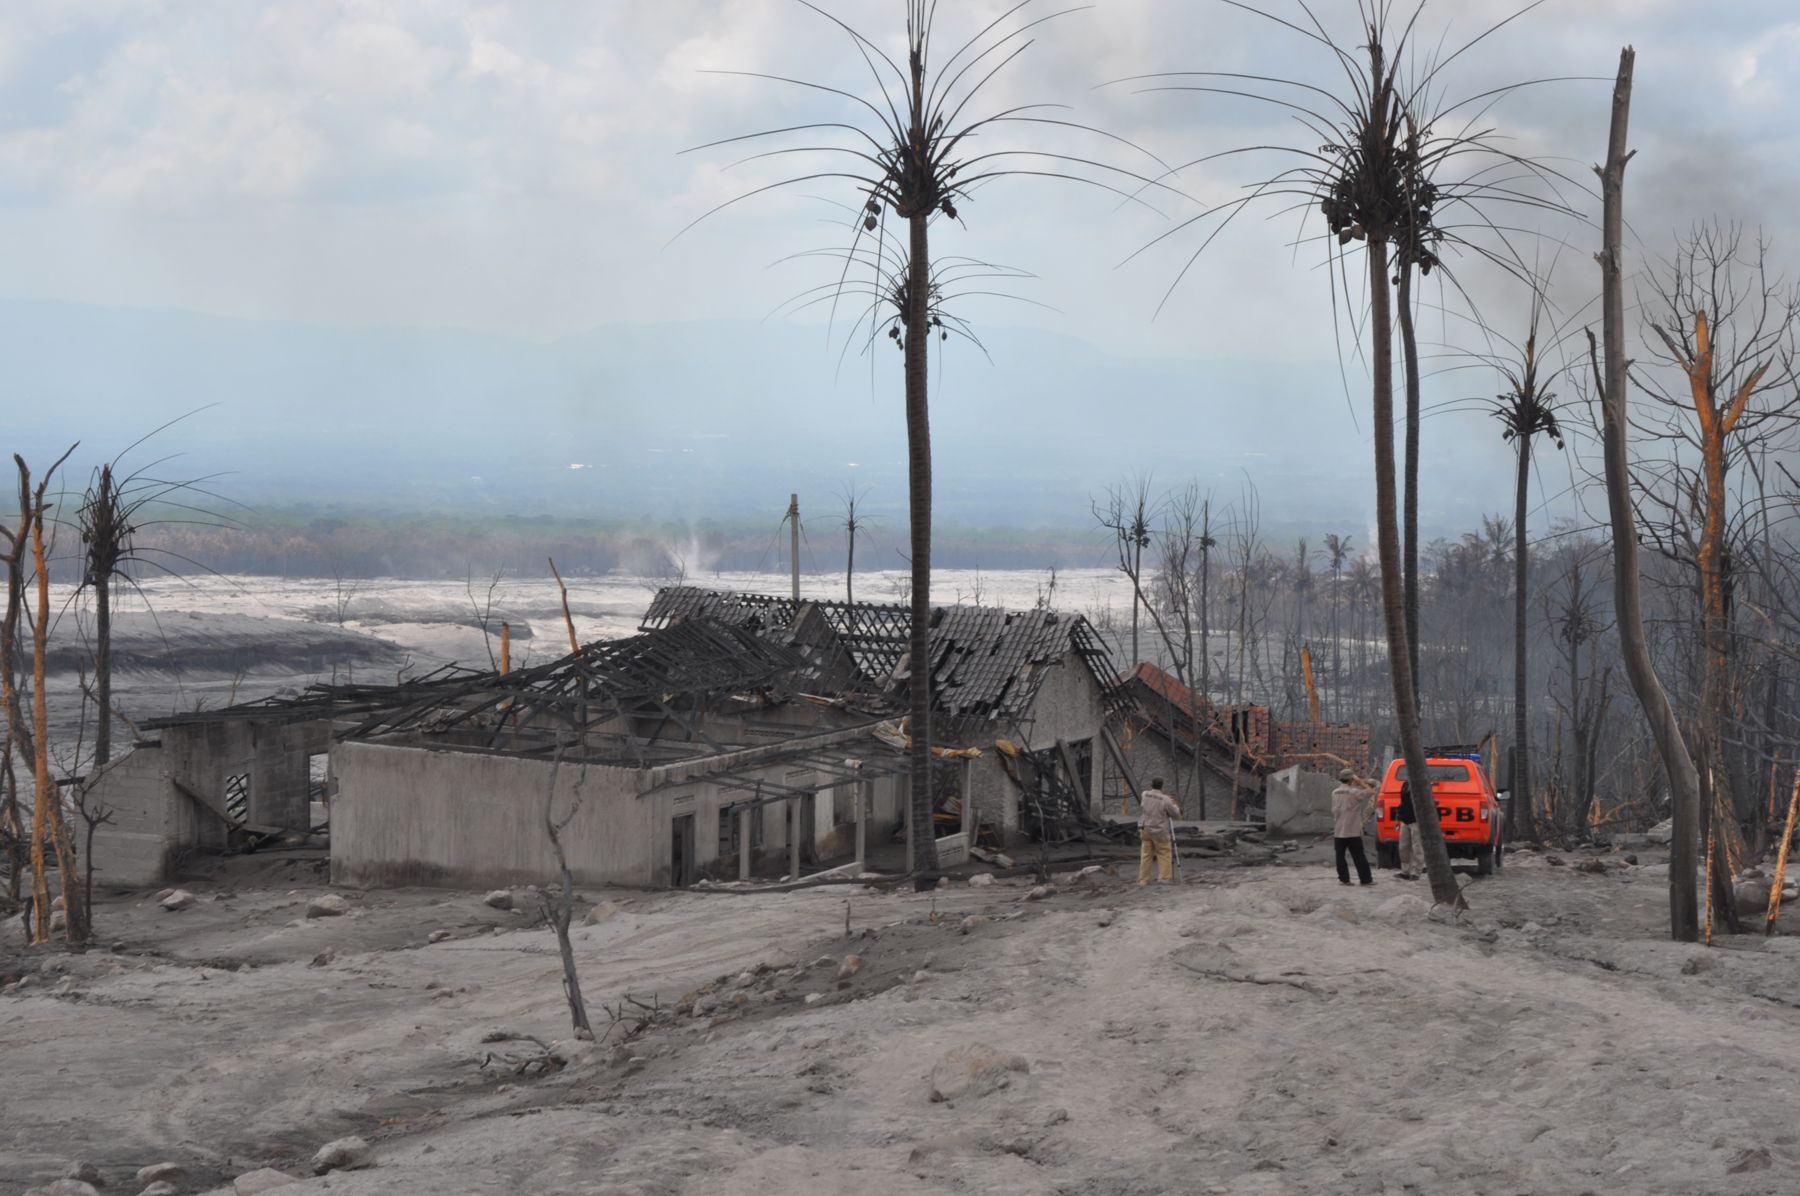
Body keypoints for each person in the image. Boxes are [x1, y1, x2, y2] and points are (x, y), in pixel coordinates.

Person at [1330, 767, 1374, 886]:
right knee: (1358, 856)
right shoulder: (1355, 792)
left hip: (1339, 830)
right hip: (1352, 830)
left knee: (1340, 856)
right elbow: (1371, 792)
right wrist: (1360, 782)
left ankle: (1344, 879)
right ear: (1351, 779)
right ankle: (1365, 879)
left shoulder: (1334, 792)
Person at [1137, 777, 1181, 886]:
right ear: (1162, 786)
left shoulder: (1144, 794)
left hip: (1146, 828)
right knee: (1164, 853)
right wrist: (1174, 803)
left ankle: (1143, 879)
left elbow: (1144, 804)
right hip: (1160, 831)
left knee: (1146, 854)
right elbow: (1176, 814)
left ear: (1151, 784)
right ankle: (1164, 878)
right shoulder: (1165, 799)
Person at [1395, 778, 1422, 880]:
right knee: (1403, 847)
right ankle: (1405, 871)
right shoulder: (1405, 784)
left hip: (1416, 820)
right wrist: (1398, 817)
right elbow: (1403, 802)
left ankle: (1416, 872)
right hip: (1405, 819)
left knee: (1417, 847)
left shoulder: (1420, 784)